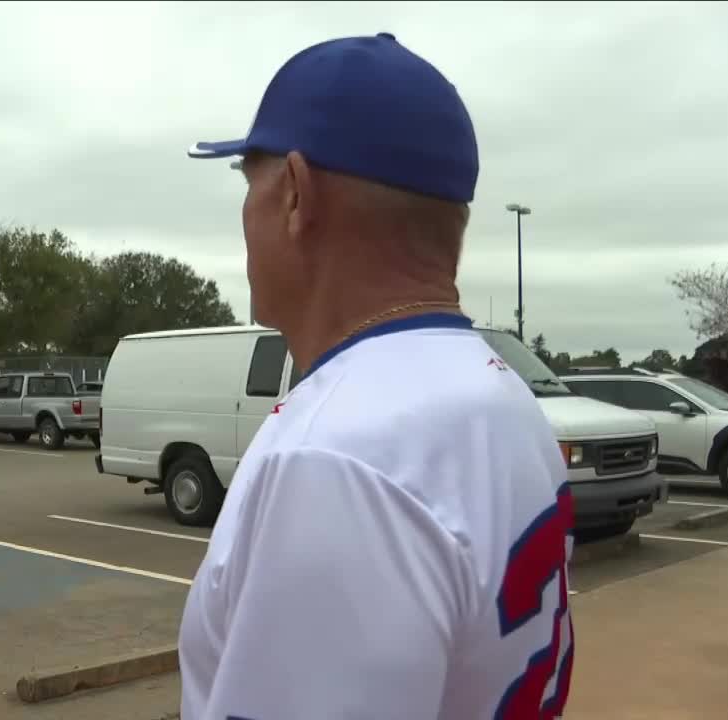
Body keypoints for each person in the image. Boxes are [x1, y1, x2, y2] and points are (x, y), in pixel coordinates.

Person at [179, 33, 573, 719]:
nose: (245, 217)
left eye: (250, 183)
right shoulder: (499, 390)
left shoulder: (335, 453)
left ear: (296, 195)